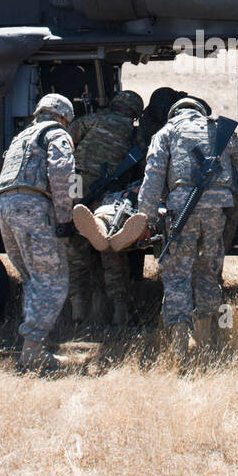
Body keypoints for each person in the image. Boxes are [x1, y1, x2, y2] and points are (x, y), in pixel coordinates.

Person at [136, 97, 238, 362]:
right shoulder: (218, 128)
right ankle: (206, 340)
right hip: (216, 212)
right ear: (200, 112)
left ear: (174, 113)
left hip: (181, 213)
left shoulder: (167, 131)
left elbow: (152, 178)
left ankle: (178, 348)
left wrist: (146, 219)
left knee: (177, 276)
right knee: (208, 272)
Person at [0, 93, 77, 372]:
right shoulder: (57, 135)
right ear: (63, 116)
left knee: (32, 278)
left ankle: (32, 345)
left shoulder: (22, 138)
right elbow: (62, 173)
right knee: (51, 279)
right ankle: (33, 351)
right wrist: (65, 217)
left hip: (4, 208)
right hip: (32, 208)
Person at [65, 90, 143, 328]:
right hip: (107, 191)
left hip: (76, 186)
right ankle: (119, 313)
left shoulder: (94, 119)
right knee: (110, 248)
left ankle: (78, 310)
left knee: (75, 248)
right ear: (134, 112)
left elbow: (68, 137)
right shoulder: (134, 133)